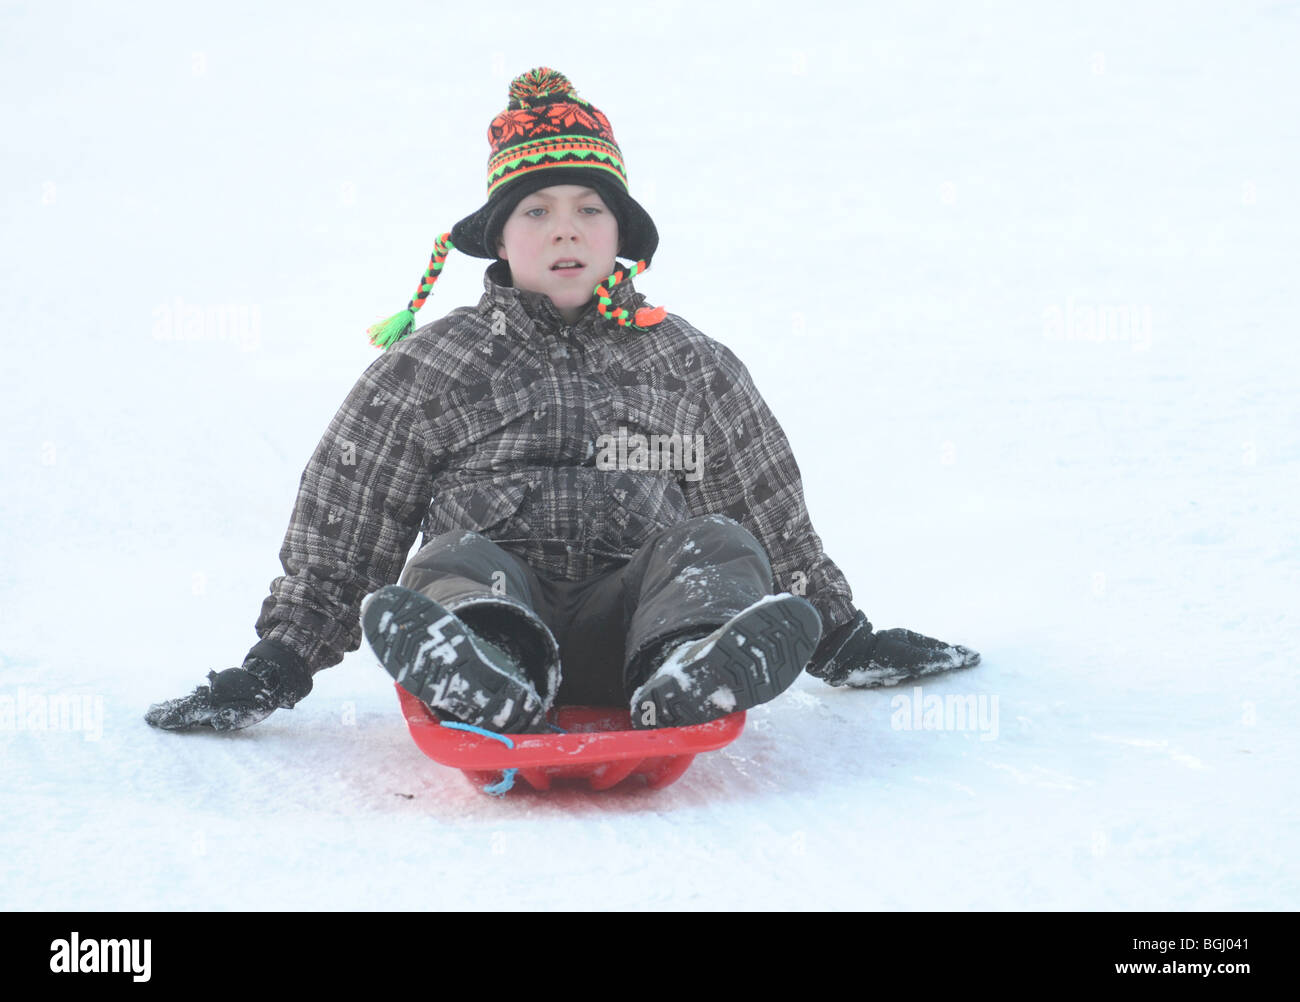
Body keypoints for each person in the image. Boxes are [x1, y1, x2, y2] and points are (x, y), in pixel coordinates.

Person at [145, 68, 979, 736]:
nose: (566, 229)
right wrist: (276, 664)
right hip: (498, 611)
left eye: (590, 209)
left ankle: (690, 668)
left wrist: (842, 636)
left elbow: (767, 514)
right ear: (499, 239)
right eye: (536, 211)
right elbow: (348, 519)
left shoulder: (686, 363)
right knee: (447, 561)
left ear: (622, 236)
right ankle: (489, 671)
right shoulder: (435, 366)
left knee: (718, 542)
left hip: (637, 626)